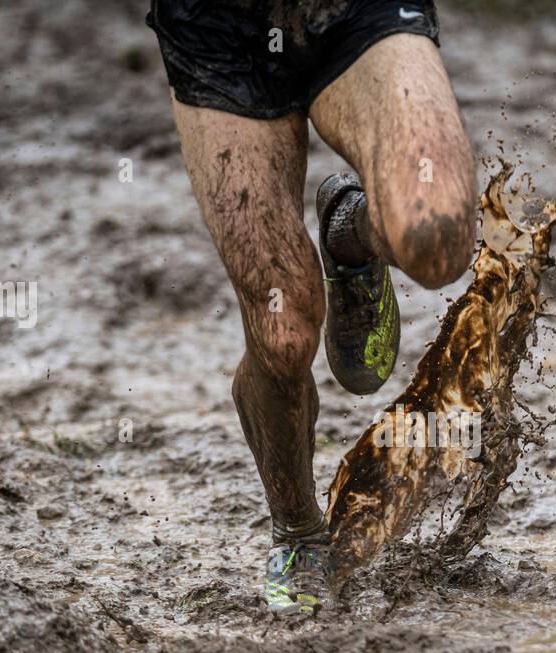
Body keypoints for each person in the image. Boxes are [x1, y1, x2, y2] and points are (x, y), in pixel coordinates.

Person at [146, 0, 476, 613]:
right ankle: (297, 527)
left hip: (356, 8)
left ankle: (351, 234)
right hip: (220, 29)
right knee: (282, 331)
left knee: (437, 236)